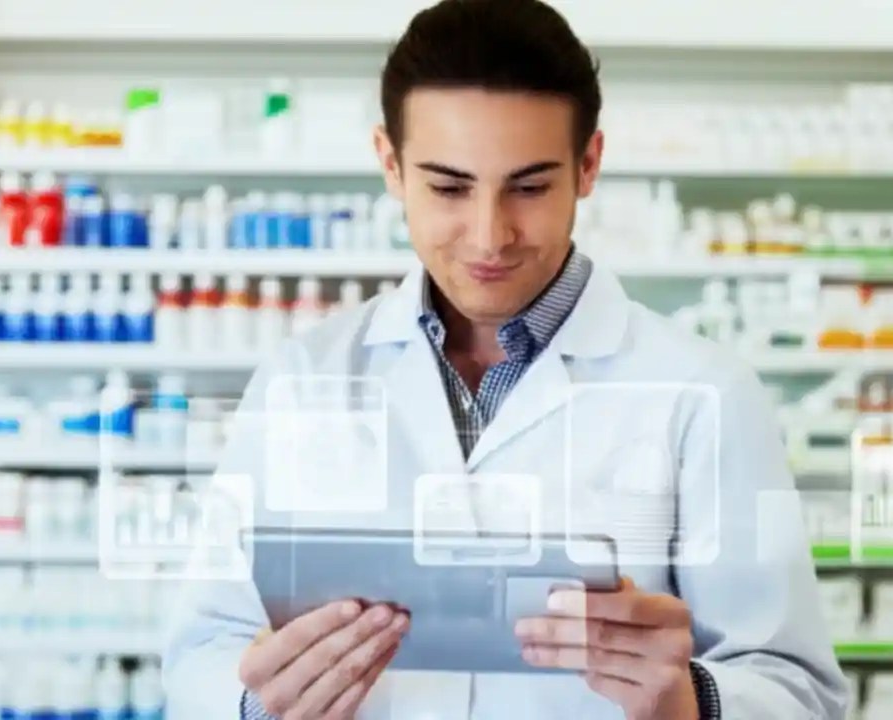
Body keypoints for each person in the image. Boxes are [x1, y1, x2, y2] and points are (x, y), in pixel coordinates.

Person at [161, 0, 849, 717]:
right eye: (449, 187)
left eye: (529, 187)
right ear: (390, 165)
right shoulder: (302, 381)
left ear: (588, 165)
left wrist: (695, 701)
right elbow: (200, 650)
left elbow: (798, 690)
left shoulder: (702, 392)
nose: (490, 237)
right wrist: (251, 703)